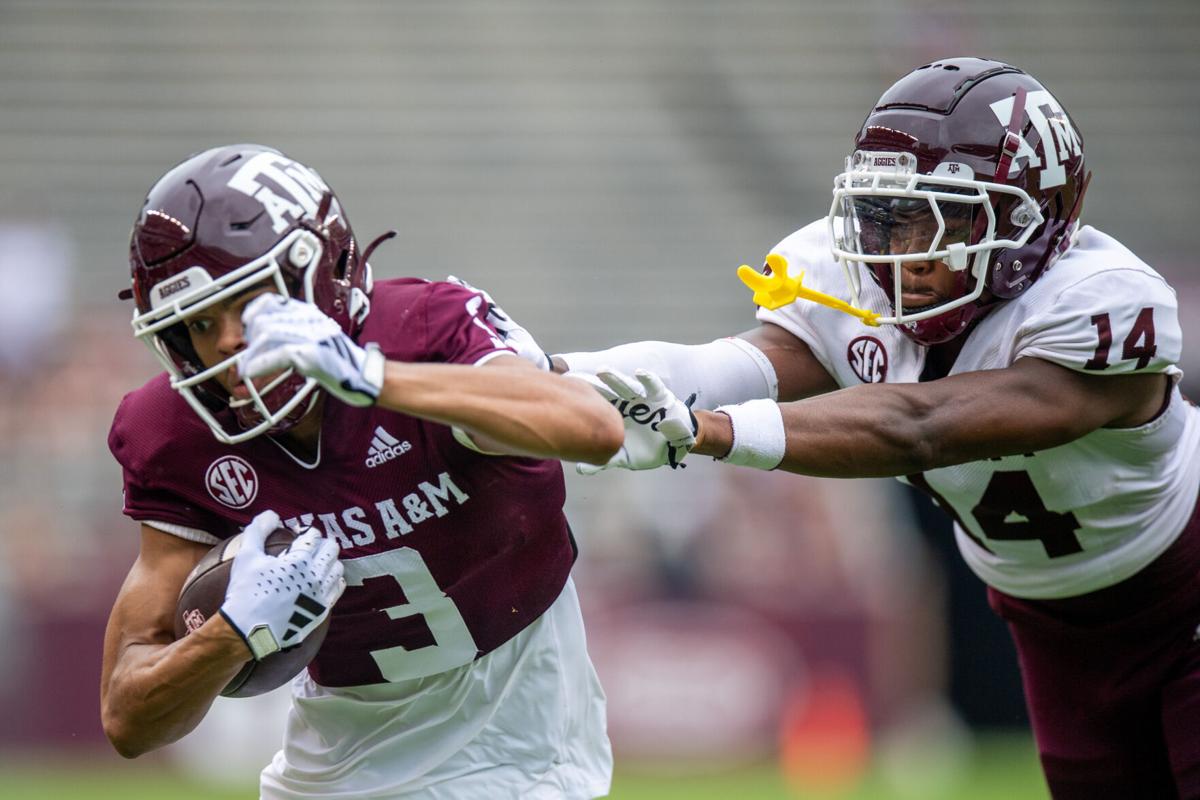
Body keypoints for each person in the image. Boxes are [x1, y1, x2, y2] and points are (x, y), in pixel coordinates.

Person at [550, 58, 1200, 799]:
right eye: (887, 216)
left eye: (944, 218)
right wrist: (545, 373)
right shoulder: (852, 279)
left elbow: (921, 425)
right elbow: (729, 363)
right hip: (1047, 621)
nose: (902, 253)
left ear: (1030, 222)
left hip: (1184, 583)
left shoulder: (1100, 304)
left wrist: (707, 431)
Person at [100, 143, 624, 799]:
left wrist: (373, 377)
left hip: (520, 750)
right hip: (332, 770)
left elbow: (594, 430)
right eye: (201, 323)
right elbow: (127, 718)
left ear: (323, 275)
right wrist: (232, 635)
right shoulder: (176, 434)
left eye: (254, 302)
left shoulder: (424, 332)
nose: (230, 341)